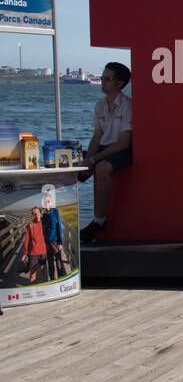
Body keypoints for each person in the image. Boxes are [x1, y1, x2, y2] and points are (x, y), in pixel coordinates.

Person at [77, 61, 133, 244]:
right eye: (102, 78)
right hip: (104, 148)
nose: (102, 82)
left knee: (102, 168)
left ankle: (99, 221)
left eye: (107, 79)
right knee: (72, 168)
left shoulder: (128, 106)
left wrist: (93, 159)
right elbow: (97, 136)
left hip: (122, 150)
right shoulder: (100, 105)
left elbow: (124, 142)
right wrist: (86, 160)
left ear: (119, 83)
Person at [41, 202, 66, 280]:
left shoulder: (55, 212)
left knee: (58, 262)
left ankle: (61, 279)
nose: (46, 204)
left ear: (50, 203)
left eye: (48, 202)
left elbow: (59, 227)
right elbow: (43, 230)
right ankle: (52, 279)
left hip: (55, 242)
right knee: (50, 263)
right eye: (45, 202)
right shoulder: (44, 215)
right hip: (47, 243)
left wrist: (60, 243)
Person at [23, 207, 47, 285]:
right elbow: (27, 239)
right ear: (33, 214)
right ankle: (32, 291)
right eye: (34, 213)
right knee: (32, 274)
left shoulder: (44, 223)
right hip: (33, 252)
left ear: (40, 212)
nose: (36, 214)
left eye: (37, 212)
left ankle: (40, 290)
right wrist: (24, 253)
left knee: (42, 272)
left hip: (43, 250)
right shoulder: (30, 224)